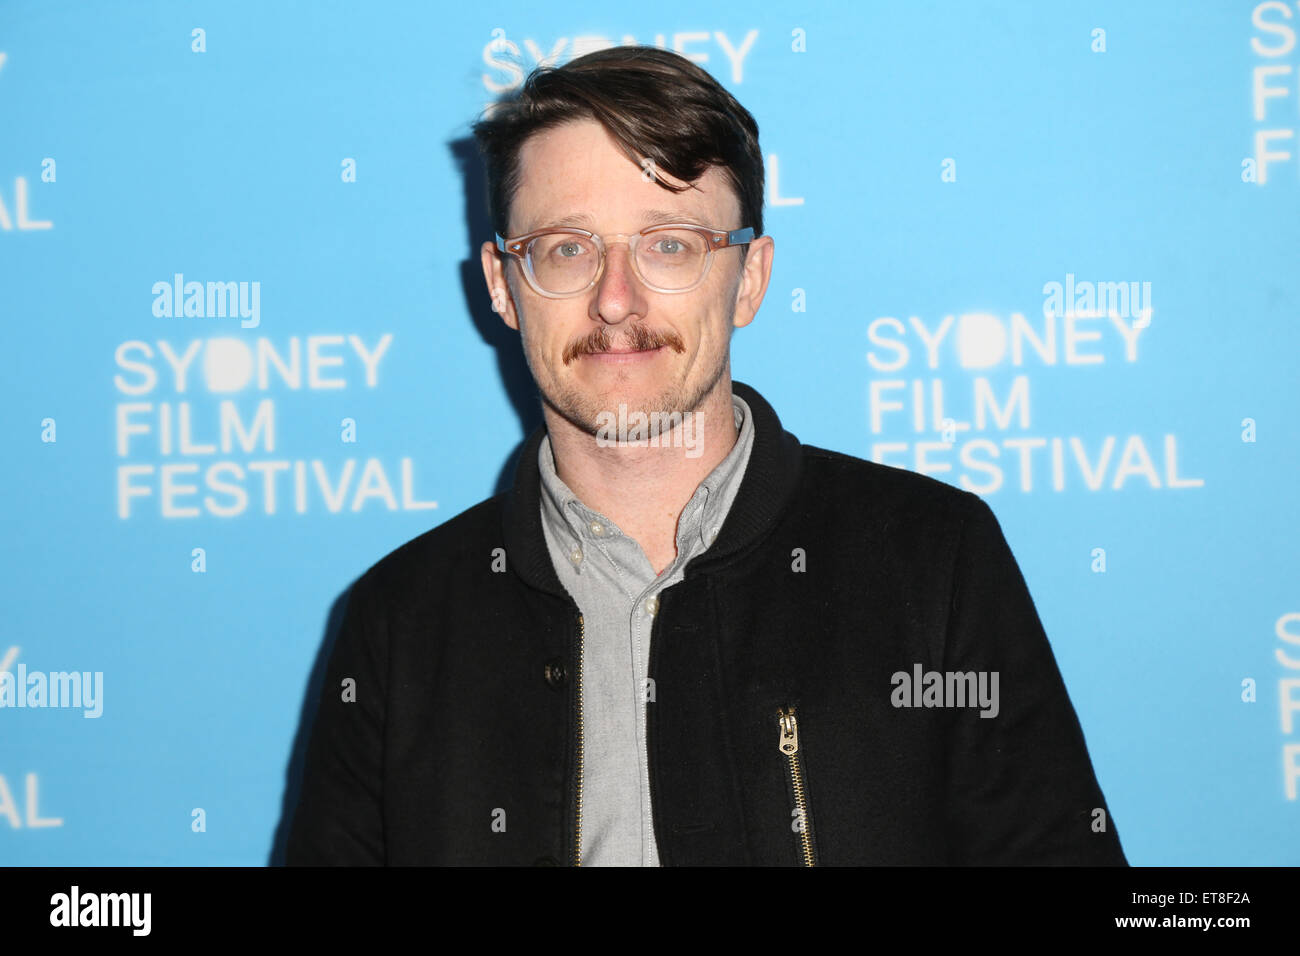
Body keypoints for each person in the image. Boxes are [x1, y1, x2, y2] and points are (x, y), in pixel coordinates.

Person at [285, 46, 1127, 866]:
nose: (617, 301)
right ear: (504, 286)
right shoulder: (400, 621)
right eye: (567, 249)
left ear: (751, 278)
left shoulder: (931, 558)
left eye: (671, 244)